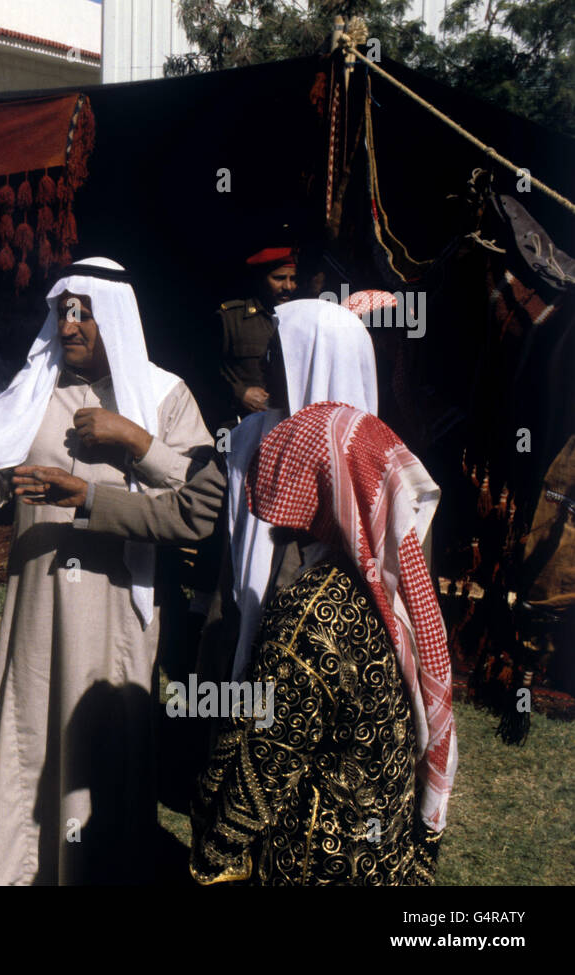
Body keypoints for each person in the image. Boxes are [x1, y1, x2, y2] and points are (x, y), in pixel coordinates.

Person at [0, 257, 224, 884]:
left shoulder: (163, 397)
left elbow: (197, 504)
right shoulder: (31, 392)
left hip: (115, 608)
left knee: (106, 733)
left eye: (85, 313)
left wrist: (136, 441)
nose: (70, 325)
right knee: (30, 725)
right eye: (62, 312)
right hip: (38, 601)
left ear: (118, 319)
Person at [190, 401, 458, 885]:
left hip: (315, 860)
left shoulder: (312, 616)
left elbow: (266, 760)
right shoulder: (388, 595)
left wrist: (214, 856)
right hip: (384, 854)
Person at [202, 296, 381, 687]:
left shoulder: (377, 464)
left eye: (277, 354)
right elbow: (187, 510)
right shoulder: (248, 437)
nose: (264, 367)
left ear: (316, 361)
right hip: (242, 637)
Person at [217, 245, 297, 423]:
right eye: (279, 278)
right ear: (260, 279)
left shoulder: (301, 320)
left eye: (293, 279)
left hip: (289, 424)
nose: (288, 286)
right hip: (244, 423)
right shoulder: (232, 318)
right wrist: (239, 393)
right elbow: (206, 370)